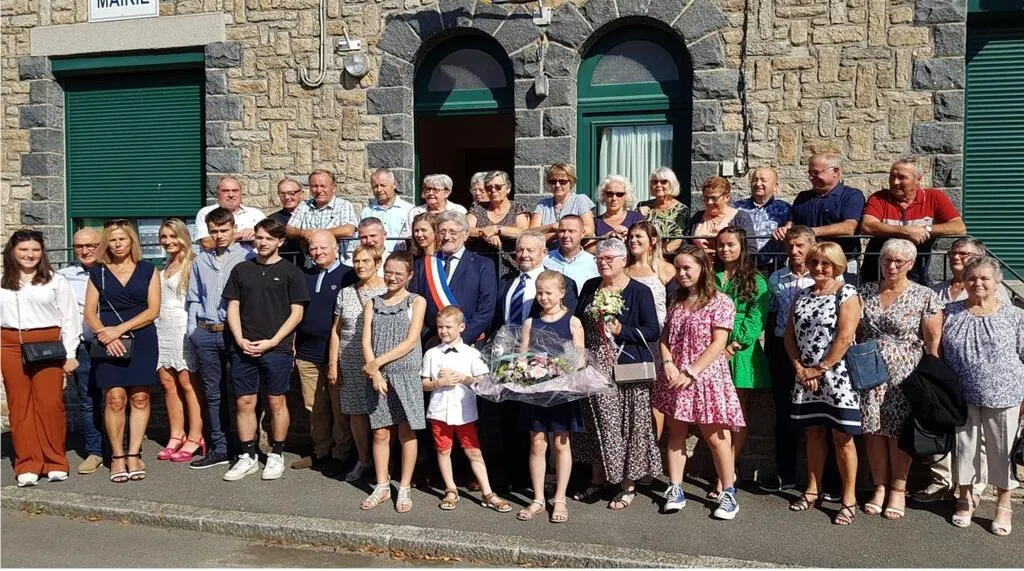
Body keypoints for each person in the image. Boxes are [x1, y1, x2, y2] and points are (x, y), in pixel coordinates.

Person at [571, 238, 662, 510]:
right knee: (596, 423)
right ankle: (599, 481)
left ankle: (627, 485)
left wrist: (624, 331)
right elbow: (578, 322)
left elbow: (653, 331)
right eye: (600, 258)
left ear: (624, 260)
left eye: (610, 258)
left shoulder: (639, 291)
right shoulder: (590, 287)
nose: (604, 262)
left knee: (627, 426)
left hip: (625, 366)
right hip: (594, 365)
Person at [857, 238, 943, 520]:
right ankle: (879, 486)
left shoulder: (924, 295)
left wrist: (931, 377)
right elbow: (855, 332)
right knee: (872, 429)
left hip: (905, 373)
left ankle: (898, 487)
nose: (891, 266)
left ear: (911, 265)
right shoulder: (865, 291)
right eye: (886, 260)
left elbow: (932, 343)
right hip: (870, 369)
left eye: (898, 262)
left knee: (898, 432)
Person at [656, 245, 744, 519]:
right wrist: (669, 363)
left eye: (687, 268)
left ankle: (728, 491)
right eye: (678, 269)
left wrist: (691, 372)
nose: (681, 274)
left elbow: (719, 343)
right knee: (676, 433)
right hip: (676, 377)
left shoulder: (720, 301)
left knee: (716, 436)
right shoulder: (677, 302)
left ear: (703, 268)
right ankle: (675, 487)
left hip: (706, 378)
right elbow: (665, 339)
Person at [221, 218, 309, 482]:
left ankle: (276, 454)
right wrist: (238, 338)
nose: (262, 242)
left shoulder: (292, 273)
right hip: (244, 347)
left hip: (277, 348)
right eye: (259, 237)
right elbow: (232, 306)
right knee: (245, 401)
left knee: (276, 401)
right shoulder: (241, 270)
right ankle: (247, 456)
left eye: (269, 238)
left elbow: (297, 313)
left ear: (280, 242)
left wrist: (273, 341)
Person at [943, 256, 1023, 536]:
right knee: (965, 449)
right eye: (972, 278)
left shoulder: (1015, 315)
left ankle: (1003, 504)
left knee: (1002, 452)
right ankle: (964, 497)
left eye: (984, 278)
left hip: (1004, 393)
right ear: (964, 282)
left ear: (997, 281)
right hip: (961, 395)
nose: (978, 283)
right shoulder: (950, 312)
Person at [914, 237, 998, 502]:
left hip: (977, 370)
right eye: (953, 253)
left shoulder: (993, 291)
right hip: (942, 367)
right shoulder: (935, 291)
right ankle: (942, 480)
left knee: (979, 431)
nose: (956, 257)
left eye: (963, 253)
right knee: (940, 423)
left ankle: (976, 485)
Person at [784, 242, 862, 526]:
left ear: (838, 265)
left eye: (825, 264)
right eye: (815, 262)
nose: (819, 268)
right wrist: (800, 368)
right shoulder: (802, 295)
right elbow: (788, 336)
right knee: (813, 434)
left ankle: (849, 498)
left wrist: (819, 369)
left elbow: (844, 337)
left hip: (836, 375)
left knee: (843, 437)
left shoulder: (847, 293)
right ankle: (812, 489)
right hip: (805, 375)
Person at [1, 229, 81, 487]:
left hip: (47, 347)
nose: (30, 254)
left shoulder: (55, 281)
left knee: (49, 405)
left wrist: (70, 353)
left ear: (42, 253)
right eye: (24, 249)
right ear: (12, 252)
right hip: (10, 346)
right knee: (19, 405)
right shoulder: (2, 281)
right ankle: (28, 462)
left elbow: (70, 318)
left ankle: (55, 460)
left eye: (35, 249)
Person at [84, 219, 161, 483]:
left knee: (140, 398)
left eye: (123, 239)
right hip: (109, 341)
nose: (118, 244)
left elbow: (153, 311)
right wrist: (107, 334)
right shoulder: (99, 273)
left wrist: (120, 329)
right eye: (113, 240)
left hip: (142, 338)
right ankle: (117, 456)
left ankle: (134, 453)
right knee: (115, 398)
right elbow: (89, 313)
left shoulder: (149, 270)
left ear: (132, 242)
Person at [421, 306, 512, 514]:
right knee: (443, 451)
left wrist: (464, 378)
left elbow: (482, 382)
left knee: (474, 451)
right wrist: (438, 382)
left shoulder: (472, 354)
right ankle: (450, 489)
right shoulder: (432, 354)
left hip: (465, 413)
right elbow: (423, 382)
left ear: (461, 327)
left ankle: (487, 492)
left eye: (448, 327)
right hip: (439, 411)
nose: (443, 331)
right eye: (440, 327)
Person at [185, 207, 255, 469]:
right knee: (213, 393)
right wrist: (193, 333)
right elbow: (193, 298)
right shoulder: (200, 261)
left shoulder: (248, 258)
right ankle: (220, 447)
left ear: (234, 229)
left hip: (234, 333)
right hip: (206, 333)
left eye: (224, 230)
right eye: (214, 231)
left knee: (240, 392)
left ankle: (243, 447)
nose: (219, 236)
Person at [359, 252, 427, 512]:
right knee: (380, 431)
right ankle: (382, 485)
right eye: (388, 271)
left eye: (399, 273)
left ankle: (405, 487)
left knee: (407, 431)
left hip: (405, 373)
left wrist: (377, 362)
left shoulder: (416, 302)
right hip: (378, 376)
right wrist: (374, 372)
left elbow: (411, 341)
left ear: (409, 275)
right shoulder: (372, 303)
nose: (392, 277)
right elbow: (366, 340)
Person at [516, 271, 586, 523]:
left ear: (561, 293)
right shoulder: (530, 322)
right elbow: (522, 356)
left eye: (548, 292)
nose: (543, 297)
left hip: (563, 392)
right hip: (537, 393)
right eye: (540, 292)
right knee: (537, 443)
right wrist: (522, 372)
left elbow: (579, 358)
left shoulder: (573, 321)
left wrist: (557, 367)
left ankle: (559, 497)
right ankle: (537, 498)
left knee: (561, 444)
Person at [292, 230, 354, 473]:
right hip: (307, 353)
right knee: (314, 407)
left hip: (336, 355)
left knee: (339, 408)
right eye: (313, 248)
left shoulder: (347, 275)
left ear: (336, 248)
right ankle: (321, 451)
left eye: (323, 247)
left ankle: (342, 455)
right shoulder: (303, 275)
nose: (317, 252)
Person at [759, 225, 815, 492]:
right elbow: (770, 317)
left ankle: (823, 479)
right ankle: (786, 473)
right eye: (790, 246)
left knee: (816, 415)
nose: (794, 251)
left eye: (800, 246)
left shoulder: (821, 278)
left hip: (814, 352)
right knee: (784, 414)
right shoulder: (776, 279)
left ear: (811, 247)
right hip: (783, 349)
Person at [714, 226, 771, 491]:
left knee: (736, 413)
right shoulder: (711, 275)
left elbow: (756, 317)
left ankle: (729, 469)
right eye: (721, 245)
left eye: (731, 245)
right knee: (717, 415)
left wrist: (733, 346)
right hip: (712, 347)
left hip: (740, 350)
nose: (725, 249)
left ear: (742, 247)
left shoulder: (756, 280)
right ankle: (723, 467)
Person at [329, 245, 387, 483]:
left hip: (379, 359)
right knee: (356, 413)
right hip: (350, 359)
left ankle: (386, 462)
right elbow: (336, 330)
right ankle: (363, 460)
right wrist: (333, 363)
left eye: (365, 261)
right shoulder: (345, 293)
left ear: (377, 262)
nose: (360, 266)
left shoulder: (388, 289)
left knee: (382, 412)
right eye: (356, 261)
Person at [861, 160, 967, 284]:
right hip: (877, 274)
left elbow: (959, 227)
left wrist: (925, 229)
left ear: (918, 179)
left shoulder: (934, 197)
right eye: (892, 176)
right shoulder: (879, 198)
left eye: (902, 178)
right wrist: (905, 231)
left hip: (916, 274)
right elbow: (867, 226)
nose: (895, 182)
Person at [154, 219, 204, 462]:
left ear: (184, 237)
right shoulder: (165, 265)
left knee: (187, 381)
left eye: (173, 236)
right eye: (164, 237)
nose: (168, 241)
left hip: (182, 327)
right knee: (167, 381)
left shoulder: (192, 264)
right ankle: (176, 434)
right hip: (161, 327)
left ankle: (196, 435)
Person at [57, 228, 105, 475]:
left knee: (119, 398)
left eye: (91, 245)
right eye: (79, 247)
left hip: (114, 343)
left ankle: (123, 451)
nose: (85, 251)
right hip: (83, 346)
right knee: (88, 399)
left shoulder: (115, 271)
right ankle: (95, 451)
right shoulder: (63, 277)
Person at [410, 211, 496, 345]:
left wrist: (461, 339)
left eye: (453, 232)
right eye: (442, 232)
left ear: (465, 234)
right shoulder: (423, 264)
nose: (446, 237)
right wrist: (429, 336)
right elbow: (415, 302)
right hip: (432, 341)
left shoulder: (483, 265)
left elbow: (486, 308)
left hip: (469, 343)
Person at [786, 153, 866, 271]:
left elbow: (849, 228)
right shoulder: (802, 198)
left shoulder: (851, 196)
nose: (811, 178)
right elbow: (792, 226)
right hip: (807, 266)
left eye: (816, 173)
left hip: (840, 264)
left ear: (835, 172)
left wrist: (810, 232)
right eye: (809, 173)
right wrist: (784, 230)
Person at [286, 169, 358, 262]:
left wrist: (316, 234)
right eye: (314, 186)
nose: (319, 190)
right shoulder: (303, 206)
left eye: (323, 186)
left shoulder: (344, 205)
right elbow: (289, 230)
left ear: (334, 188)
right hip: (312, 263)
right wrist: (304, 233)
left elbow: (348, 230)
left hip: (340, 262)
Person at [467, 170, 530, 274]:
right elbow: (466, 229)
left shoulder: (518, 208)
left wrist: (497, 230)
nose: (493, 190)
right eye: (488, 188)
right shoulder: (478, 208)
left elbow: (523, 232)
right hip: (480, 266)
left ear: (508, 189)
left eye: (498, 187)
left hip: (510, 266)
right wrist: (486, 233)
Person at [733, 167, 791, 270]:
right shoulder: (737, 207)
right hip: (743, 267)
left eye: (763, 180)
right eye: (755, 180)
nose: (758, 184)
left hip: (773, 268)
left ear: (775, 186)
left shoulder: (785, 209)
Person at [686, 177, 756, 257]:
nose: (709, 202)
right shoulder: (697, 217)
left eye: (714, 198)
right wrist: (699, 252)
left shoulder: (741, 218)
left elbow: (751, 249)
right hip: (700, 266)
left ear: (727, 197)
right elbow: (684, 244)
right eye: (706, 198)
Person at [530, 163, 596, 247]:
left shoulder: (580, 200)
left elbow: (588, 231)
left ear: (571, 182)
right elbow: (531, 233)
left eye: (562, 182)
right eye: (553, 181)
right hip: (547, 255)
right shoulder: (543, 204)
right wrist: (552, 227)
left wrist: (553, 234)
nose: (557, 185)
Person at [194, 176, 266, 249]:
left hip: (253, 259)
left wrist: (256, 233)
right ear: (218, 193)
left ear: (241, 193)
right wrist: (238, 236)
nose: (231, 195)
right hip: (218, 259)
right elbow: (207, 243)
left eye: (235, 191)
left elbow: (271, 239)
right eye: (225, 191)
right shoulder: (206, 213)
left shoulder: (256, 214)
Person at [637, 167, 689, 256]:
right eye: (655, 182)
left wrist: (660, 254)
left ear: (672, 184)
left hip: (668, 256)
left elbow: (679, 239)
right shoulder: (642, 206)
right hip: (643, 256)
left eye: (663, 182)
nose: (658, 185)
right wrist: (638, 215)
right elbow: (635, 231)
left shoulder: (681, 210)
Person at [360, 168, 413, 253]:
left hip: (400, 260)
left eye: (383, 185)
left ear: (394, 184)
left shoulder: (409, 210)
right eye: (375, 186)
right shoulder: (367, 212)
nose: (379, 190)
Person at [543, 215, 599, 293]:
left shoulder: (594, 264)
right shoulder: (544, 260)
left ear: (582, 233)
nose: (566, 235)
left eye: (571, 231)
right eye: (562, 231)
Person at [589, 175, 644, 250]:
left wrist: (630, 235)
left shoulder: (636, 218)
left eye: (619, 194)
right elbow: (587, 250)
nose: (614, 198)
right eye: (609, 194)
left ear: (626, 196)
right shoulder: (595, 222)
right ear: (603, 195)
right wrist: (605, 237)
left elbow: (646, 245)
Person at [269, 178, 306, 265]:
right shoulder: (273, 219)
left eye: (291, 193)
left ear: (301, 194)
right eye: (282, 194)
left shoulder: (313, 213)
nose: (287, 197)